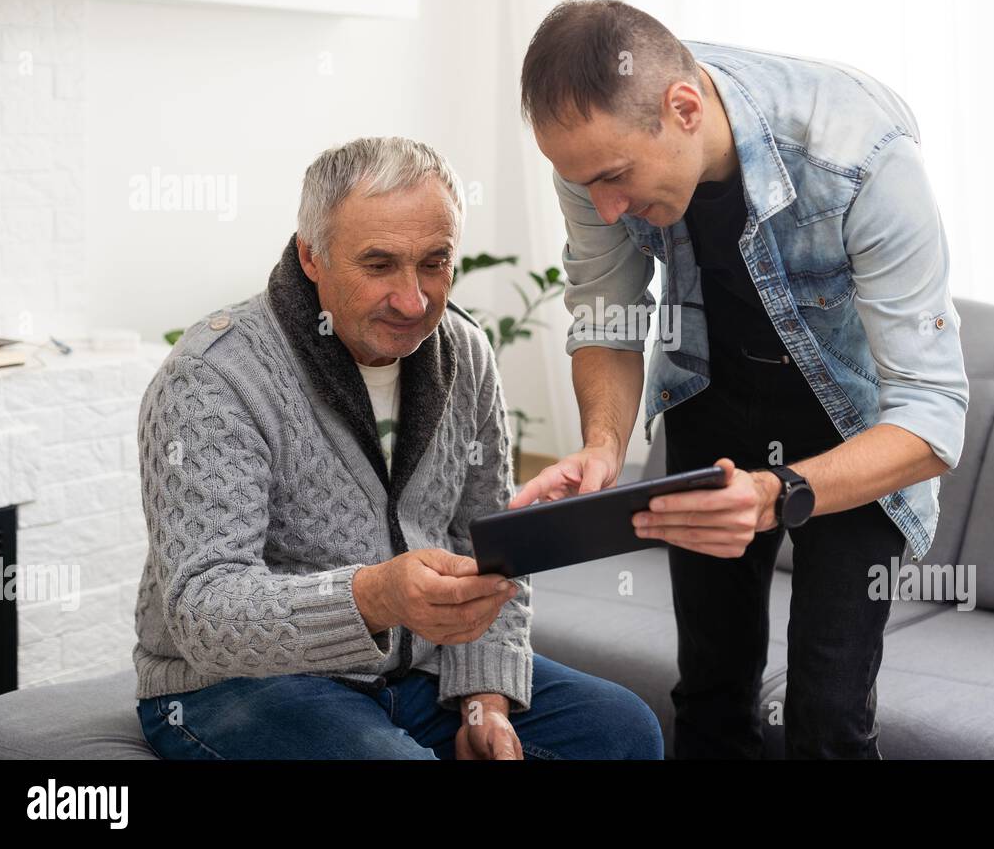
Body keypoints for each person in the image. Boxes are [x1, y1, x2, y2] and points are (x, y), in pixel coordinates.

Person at [513, 0, 969, 758]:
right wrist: (602, 444)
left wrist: (776, 491)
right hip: (713, 397)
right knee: (710, 699)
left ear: (684, 108)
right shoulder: (600, 147)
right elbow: (608, 311)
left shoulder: (862, 156)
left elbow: (933, 417)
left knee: (827, 718)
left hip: (858, 428)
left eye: (617, 179)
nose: (604, 206)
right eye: (583, 183)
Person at [131, 135, 663, 760]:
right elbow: (204, 610)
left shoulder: (465, 354)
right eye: (379, 265)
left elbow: (483, 548)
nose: (413, 300)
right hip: (239, 687)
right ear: (312, 257)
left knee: (624, 730)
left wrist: (485, 698)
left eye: (435, 262)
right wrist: (374, 598)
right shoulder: (215, 377)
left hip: (418, 678)